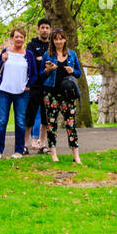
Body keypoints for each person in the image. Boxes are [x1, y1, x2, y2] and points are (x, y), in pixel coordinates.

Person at [0, 26, 37, 159]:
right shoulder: (5, 52)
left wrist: (28, 85)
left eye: (21, 37)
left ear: (24, 39)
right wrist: (2, 59)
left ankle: (18, 151)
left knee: (20, 122)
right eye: (16, 36)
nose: (19, 39)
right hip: (4, 91)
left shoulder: (28, 55)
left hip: (22, 93)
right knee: (1, 121)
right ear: (12, 38)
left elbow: (34, 74)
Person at [41, 27, 82, 164]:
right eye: (56, 39)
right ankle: (53, 153)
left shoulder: (72, 54)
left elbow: (79, 73)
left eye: (61, 38)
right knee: (51, 124)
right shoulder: (47, 54)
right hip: (51, 93)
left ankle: (76, 155)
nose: (59, 41)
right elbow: (41, 75)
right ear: (52, 40)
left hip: (68, 94)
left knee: (71, 123)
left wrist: (72, 71)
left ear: (65, 39)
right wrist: (47, 70)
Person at [24, 17, 53, 151]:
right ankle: (25, 145)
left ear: (50, 30)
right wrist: (41, 61)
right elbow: (30, 62)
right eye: (42, 27)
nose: (45, 30)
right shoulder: (31, 45)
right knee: (30, 115)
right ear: (38, 29)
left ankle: (43, 144)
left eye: (47, 28)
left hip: (48, 85)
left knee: (45, 118)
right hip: (34, 85)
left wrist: (41, 59)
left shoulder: (52, 46)